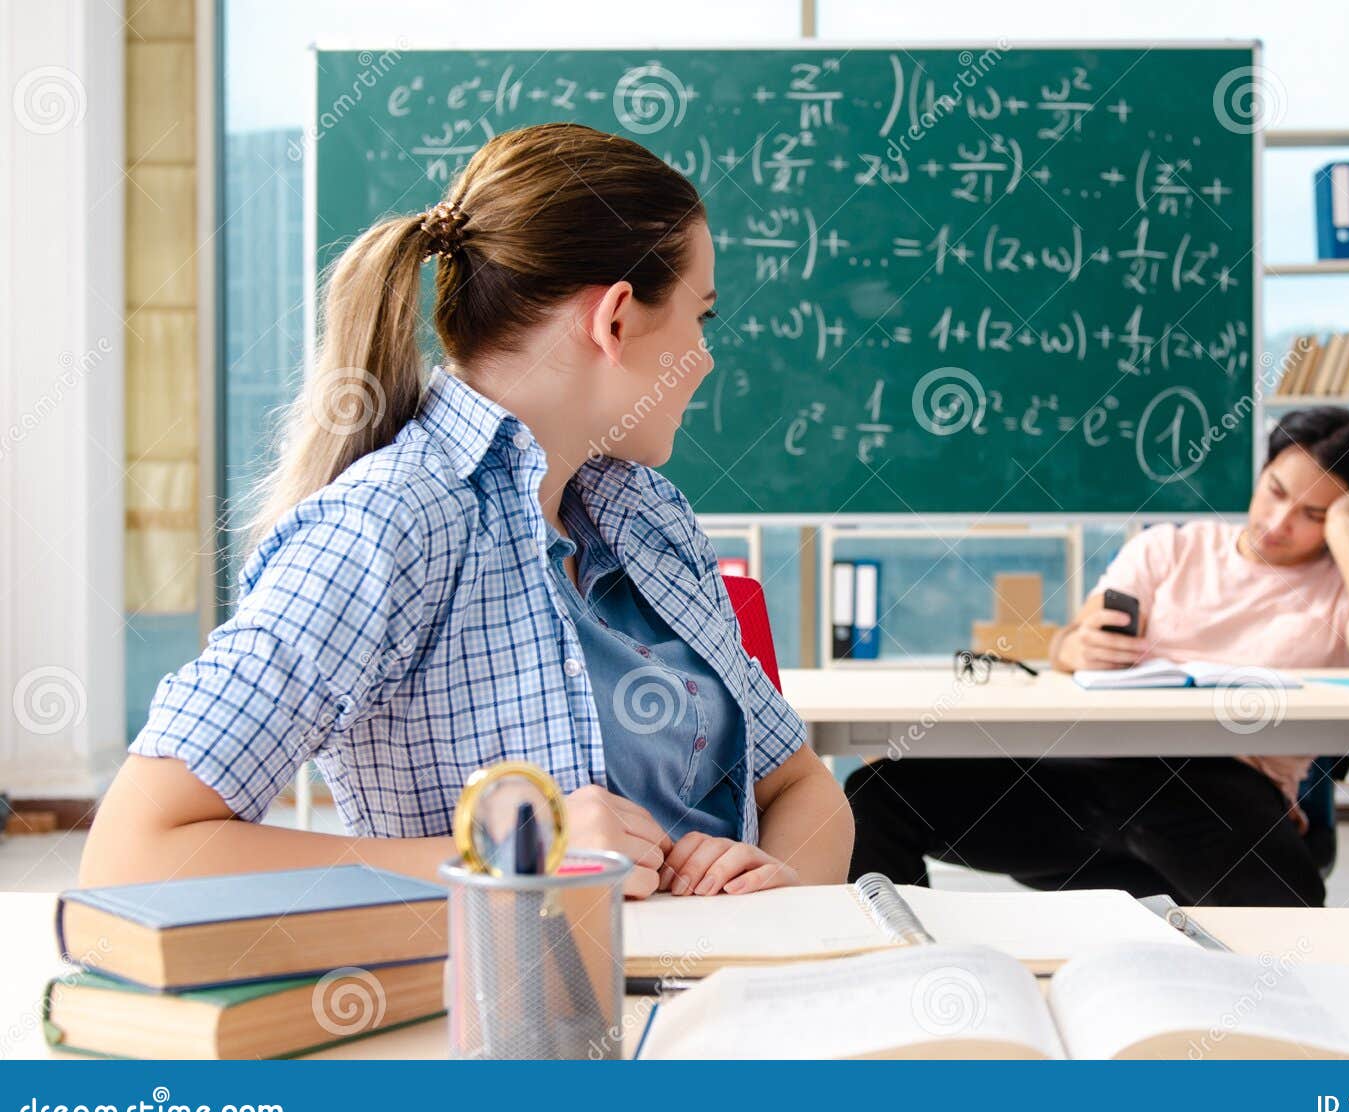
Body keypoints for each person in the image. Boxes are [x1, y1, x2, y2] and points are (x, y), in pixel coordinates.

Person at [82, 124, 853, 899]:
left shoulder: (648, 516)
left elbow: (799, 789)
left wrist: (778, 884)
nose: (706, 357)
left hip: (728, 1001)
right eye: (703, 318)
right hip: (522, 1013)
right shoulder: (386, 525)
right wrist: (510, 849)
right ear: (615, 320)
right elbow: (134, 853)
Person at [846, 408, 1349, 906]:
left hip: (1218, 790)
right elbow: (1068, 644)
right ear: (1260, 473)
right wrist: (1073, 647)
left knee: (1290, 909)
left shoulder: (1345, 589)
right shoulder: (1169, 548)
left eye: (1313, 514)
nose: (1280, 523)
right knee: (876, 795)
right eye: (1277, 492)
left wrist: (1345, 531)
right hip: (1089, 773)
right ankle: (908, 971)